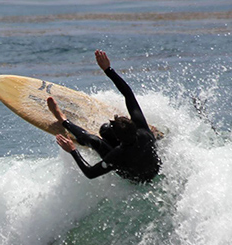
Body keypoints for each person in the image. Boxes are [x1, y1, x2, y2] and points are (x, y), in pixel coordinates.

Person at [46, 50, 161, 183]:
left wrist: (73, 150)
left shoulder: (117, 155)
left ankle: (63, 120)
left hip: (134, 177)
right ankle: (157, 136)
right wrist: (108, 70)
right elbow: (128, 94)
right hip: (153, 167)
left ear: (118, 139)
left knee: (97, 138)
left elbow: (90, 173)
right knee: (107, 130)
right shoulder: (143, 130)